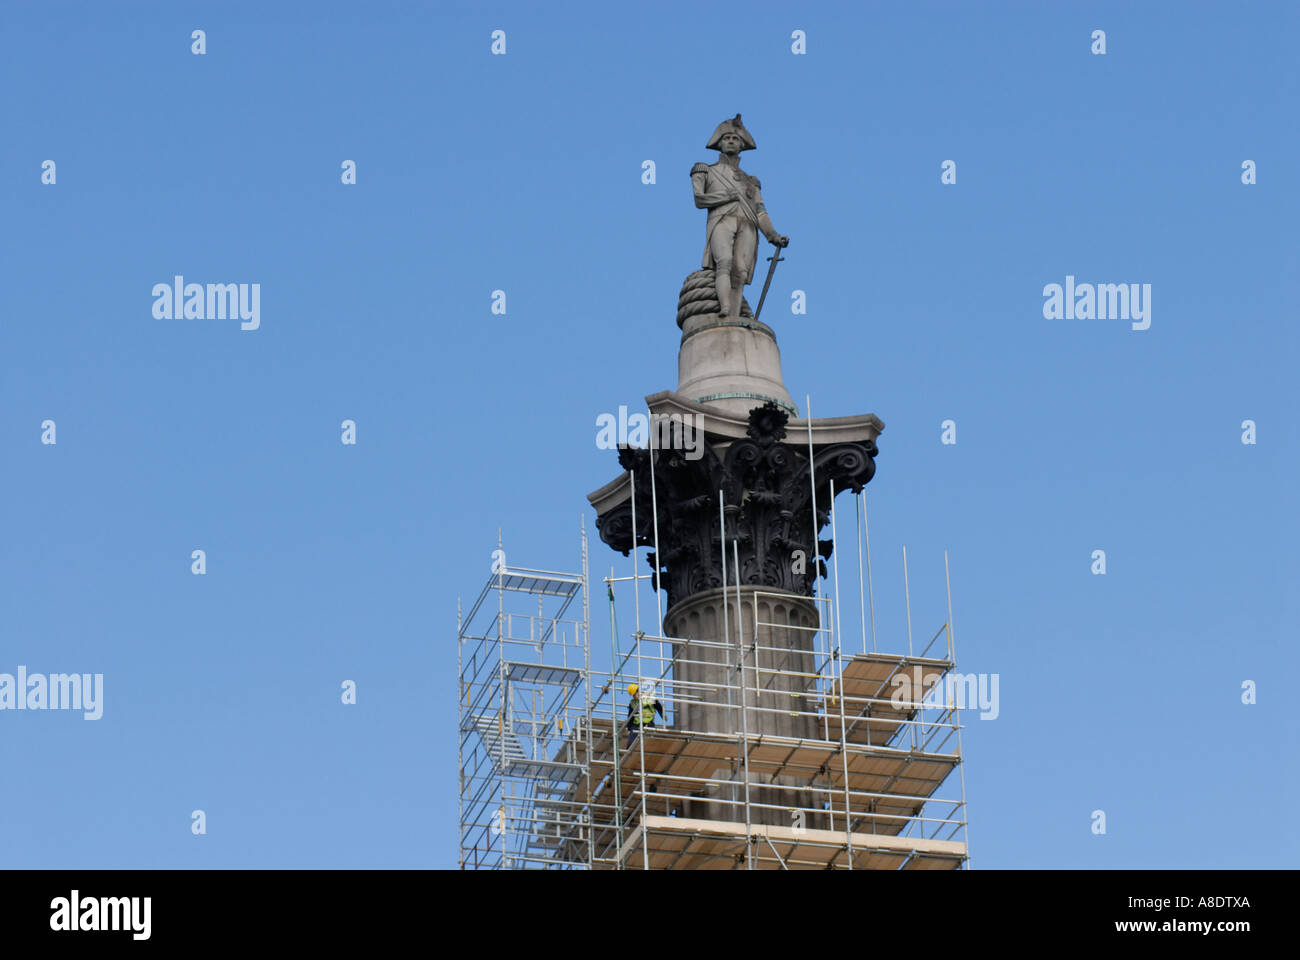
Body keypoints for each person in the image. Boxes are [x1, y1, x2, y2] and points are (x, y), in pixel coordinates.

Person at [691, 114, 789, 319]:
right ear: (719, 143)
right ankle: (724, 308)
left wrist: (773, 235)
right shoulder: (705, 170)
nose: (730, 141)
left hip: (748, 225)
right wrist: (727, 196)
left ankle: (733, 315)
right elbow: (700, 200)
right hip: (721, 219)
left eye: (735, 139)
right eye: (726, 138)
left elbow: (761, 211)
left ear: (742, 145)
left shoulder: (751, 182)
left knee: (740, 272)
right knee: (724, 261)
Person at [625, 682, 664, 749]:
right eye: (633, 695)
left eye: (634, 694)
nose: (634, 696)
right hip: (637, 724)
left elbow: (658, 707)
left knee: (650, 742)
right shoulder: (633, 702)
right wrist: (629, 727)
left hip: (648, 723)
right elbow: (630, 716)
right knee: (630, 744)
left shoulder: (649, 698)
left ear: (638, 691)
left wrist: (663, 716)